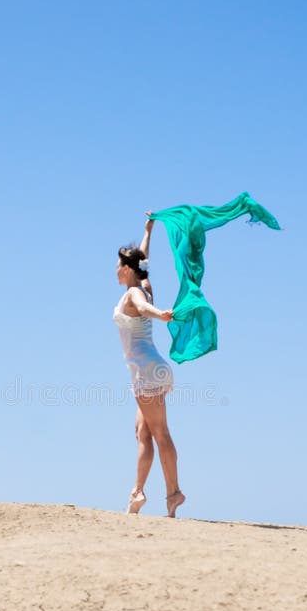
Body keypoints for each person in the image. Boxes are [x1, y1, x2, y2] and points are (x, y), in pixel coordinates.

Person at [113, 212, 186, 518]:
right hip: (153, 370)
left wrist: (161, 315)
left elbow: (143, 308)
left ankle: (174, 493)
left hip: (147, 372)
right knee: (143, 433)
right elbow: (143, 260)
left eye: (118, 265)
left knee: (160, 432)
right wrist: (148, 230)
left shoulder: (135, 294)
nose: (115, 270)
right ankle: (138, 493)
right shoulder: (144, 284)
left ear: (127, 268)